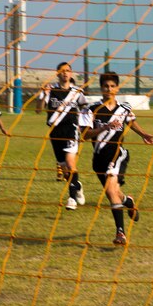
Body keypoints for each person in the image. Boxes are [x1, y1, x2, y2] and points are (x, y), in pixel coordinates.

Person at [84, 73, 153, 246]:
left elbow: (130, 122)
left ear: (117, 88)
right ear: (101, 88)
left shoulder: (124, 108)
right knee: (114, 194)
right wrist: (105, 127)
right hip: (98, 158)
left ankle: (120, 233)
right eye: (105, 86)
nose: (109, 89)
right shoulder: (91, 109)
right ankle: (128, 202)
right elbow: (85, 134)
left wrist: (143, 134)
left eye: (112, 86)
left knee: (110, 192)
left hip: (117, 154)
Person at [36, 62, 89, 209]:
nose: (65, 73)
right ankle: (77, 185)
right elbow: (38, 110)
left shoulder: (77, 92)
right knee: (65, 170)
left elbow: (85, 109)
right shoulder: (50, 90)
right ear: (57, 73)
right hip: (55, 132)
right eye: (62, 71)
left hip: (71, 130)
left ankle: (71, 199)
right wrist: (42, 96)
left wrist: (84, 126)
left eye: (68, 70)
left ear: (71, 73)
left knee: (71, 165)